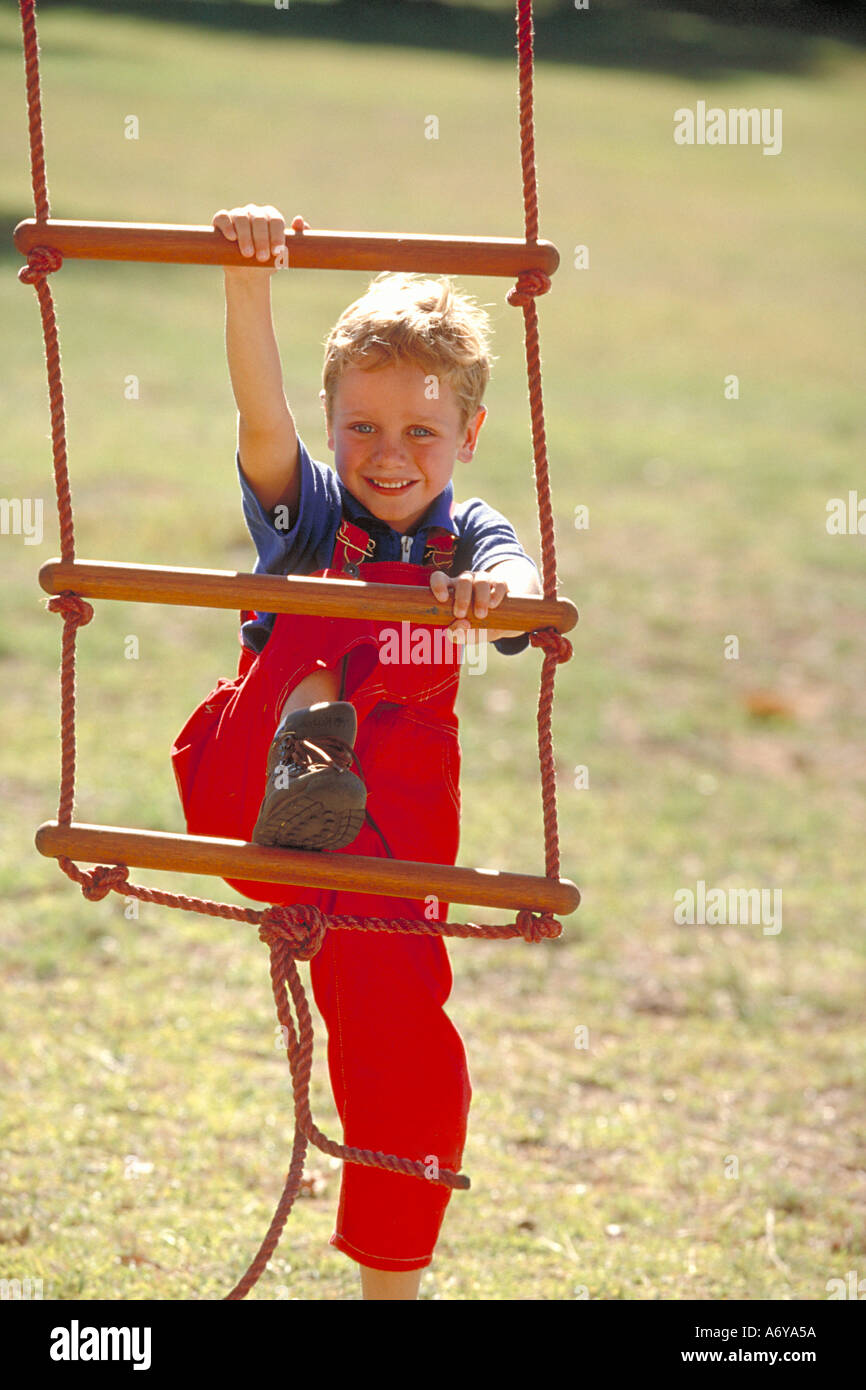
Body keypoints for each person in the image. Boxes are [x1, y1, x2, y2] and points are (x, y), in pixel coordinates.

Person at [171, 204, 543, 1300]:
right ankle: (308, 757)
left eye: (419, 431)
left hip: (390, 835)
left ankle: (392, 1287)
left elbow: (522, 591)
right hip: (253, 791)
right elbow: (258, 419)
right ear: (330, 426)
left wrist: (493, 598)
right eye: (361, 428)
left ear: (467, 434)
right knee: (325, 613)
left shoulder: (470, 535)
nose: (387, 455)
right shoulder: (309, 511)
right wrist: (248, 279)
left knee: (407, 1058)